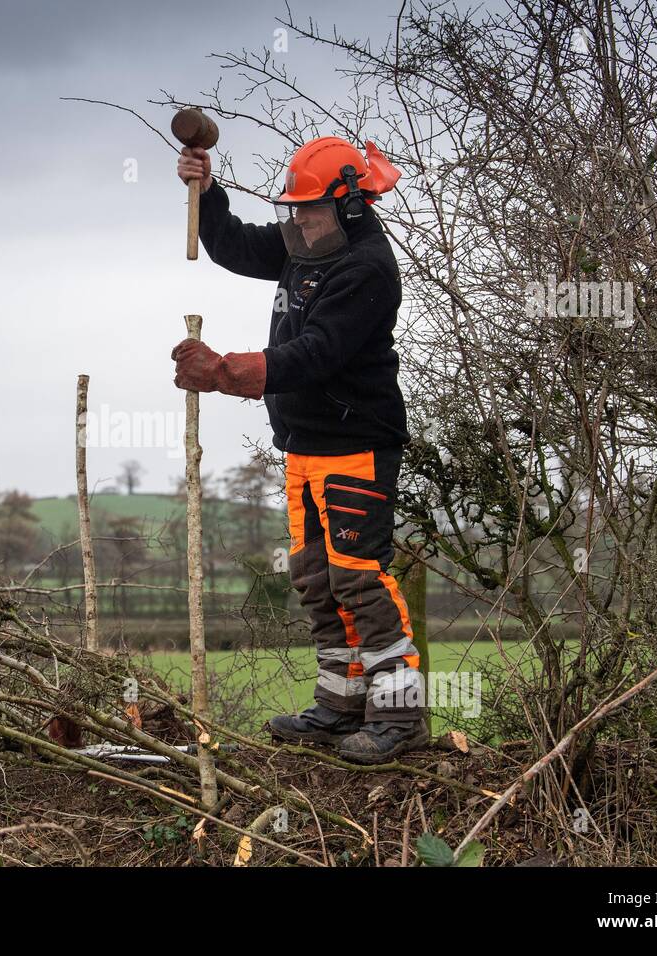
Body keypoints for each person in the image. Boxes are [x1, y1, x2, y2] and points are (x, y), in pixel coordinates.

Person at [171, 135, 427, 763]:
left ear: (349, 207)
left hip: (356, 447)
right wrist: (206, 189)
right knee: (315, 579)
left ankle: (400, 718)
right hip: (304, 448)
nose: (299, 223)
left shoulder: (366, 269)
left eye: (310, 211)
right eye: (294, 211)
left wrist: (222, 371)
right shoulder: (306, 244)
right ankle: (341, 706)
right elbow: (232, 244)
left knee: (359, 579)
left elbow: (313, 355)